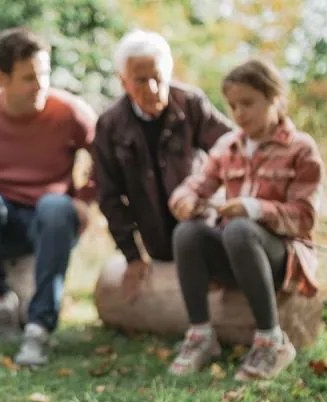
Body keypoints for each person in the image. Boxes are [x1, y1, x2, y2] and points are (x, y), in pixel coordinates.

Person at [168, 58, 322, 380]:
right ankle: (201, 335)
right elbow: (194, 185)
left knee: (239, 229)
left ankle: (271, 340)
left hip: (281, 259)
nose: (239, 113)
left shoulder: (301, 148)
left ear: (274, 99)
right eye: (233, 105)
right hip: (235, 255)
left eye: (248, 103)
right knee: (187, 233)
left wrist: (253, 208)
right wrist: (186, 202)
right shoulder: (228, 146)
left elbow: (305, 217)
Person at [0, 27, 96, 366]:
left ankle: (38, 329)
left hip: (51, 221)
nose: (40, 85)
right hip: (3, 218)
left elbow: (105, 157)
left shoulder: (70, 112)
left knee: (56, 206)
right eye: (29, 77)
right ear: (2, 78)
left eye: (44, 74)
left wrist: (85, 198)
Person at [93, 30, 232, 302]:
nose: (152, 89)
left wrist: (209, 197)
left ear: (168, 73)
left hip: (202, 227)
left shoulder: (191, 103)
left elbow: (233, 150)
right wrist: (132, 256)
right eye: (140, 81)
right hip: (155, 237)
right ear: (123, 82)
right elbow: (108, 197)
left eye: (157, 78)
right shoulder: (109, 125)